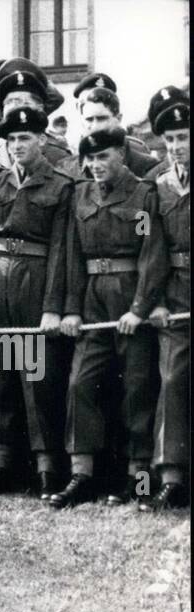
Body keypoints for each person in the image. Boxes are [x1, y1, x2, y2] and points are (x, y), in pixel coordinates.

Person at [0, 106, 74, 499]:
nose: (17, 145)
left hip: (36, 280)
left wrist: (52, 306)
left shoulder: (60, 186)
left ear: (41, 140)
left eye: (24, 138)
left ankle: (46, 468)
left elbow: (62, 250)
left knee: (38, 372)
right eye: (11, 139)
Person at [52, 127, 164, 509]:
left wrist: (139, 308)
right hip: (91, 300)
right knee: (80, 384)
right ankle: (82, 475)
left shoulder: (143, 196)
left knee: (137, 389)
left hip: (129, 294)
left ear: (121, 155)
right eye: (90, 158)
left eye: (103, 157)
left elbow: (152, 253)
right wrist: (70, 309)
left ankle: (141, 480)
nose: (95, 165)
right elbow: (70, 255)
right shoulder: (79, 194)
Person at [143, 100, 190, 512]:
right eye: (170, 139)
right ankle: (171, 477)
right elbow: (152, 250)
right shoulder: (158, 186)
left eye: (183, 137)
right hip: (175, 295)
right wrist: (154, 301)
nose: (176, 145)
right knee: (172, 381)